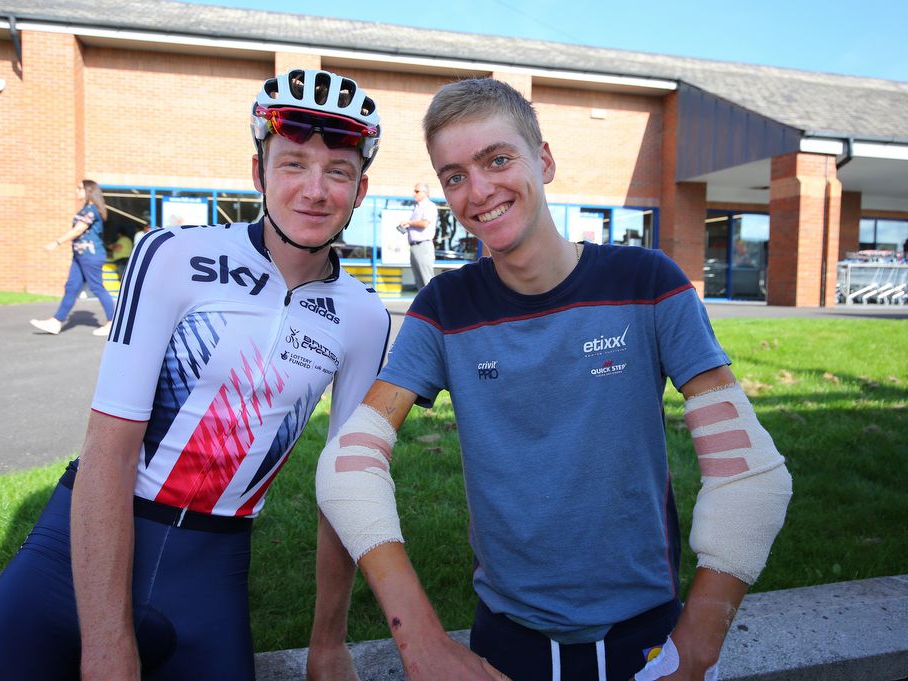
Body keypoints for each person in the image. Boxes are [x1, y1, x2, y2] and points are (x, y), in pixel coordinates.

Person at [0, 68, 390, 681]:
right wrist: (108, 649)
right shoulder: (173, 257)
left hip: (211, 570)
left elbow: (342, 485)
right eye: (293, 163)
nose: (315, 190)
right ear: (259, 174)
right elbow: (108, 449)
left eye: (339, 172)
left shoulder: (363, 316)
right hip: (76, 550)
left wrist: (330, 641)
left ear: (360, 188)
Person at [315, 78, 793, 681]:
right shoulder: (446, 305)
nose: (478, 190)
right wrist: (423, 644)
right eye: (454, 175)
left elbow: (750, 476)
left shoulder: (647, 283)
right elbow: (348, 466)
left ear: (543, 160)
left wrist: (696, 649)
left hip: (648, 639)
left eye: (497, 159)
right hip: (506, 641)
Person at [30, 180, 118, 337]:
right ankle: (56, 322)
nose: (76, 191)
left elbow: (78, 230)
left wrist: (56, 243)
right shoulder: (85, 208)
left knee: (97, 287)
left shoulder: (92, 210)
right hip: (79, 255)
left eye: (79, 188)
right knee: (71, 287)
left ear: (88, 190)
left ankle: (113, 323)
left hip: (91, 255)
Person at [398, 183, 439, 289]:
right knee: (419, 281)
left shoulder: (429, 206)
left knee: (427, 280)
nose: (414, 194)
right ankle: (424, 305)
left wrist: (409, 222)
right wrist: (408, 225)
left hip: (423, 245)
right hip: (415, 246)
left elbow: (425, 223)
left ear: (425, 193)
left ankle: (435, 305)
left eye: (417, 191)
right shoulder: (417, 207)